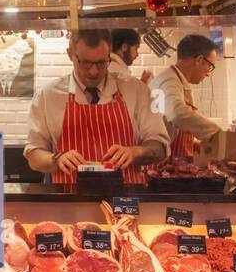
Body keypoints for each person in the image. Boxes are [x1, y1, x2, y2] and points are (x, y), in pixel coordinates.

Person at [25, 28, 169, 187]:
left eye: (101, 63)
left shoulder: (137, 90)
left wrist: (135, 152)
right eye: (85, 63)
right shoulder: (47, 96)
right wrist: (57, 159)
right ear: (70, 54)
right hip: (69, 203)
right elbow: (33, 154)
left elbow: (160, 147)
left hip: (125, 202)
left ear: (109, 56)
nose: (93, 72)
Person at [148, 33, 223, 158]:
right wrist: (217, 134)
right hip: (163, 164)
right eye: (210, 66)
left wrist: (194, 144)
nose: (208, 74)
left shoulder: (173, 79)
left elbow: (169, 125)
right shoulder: (170, 82)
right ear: (199, 60)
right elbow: (177, 114)